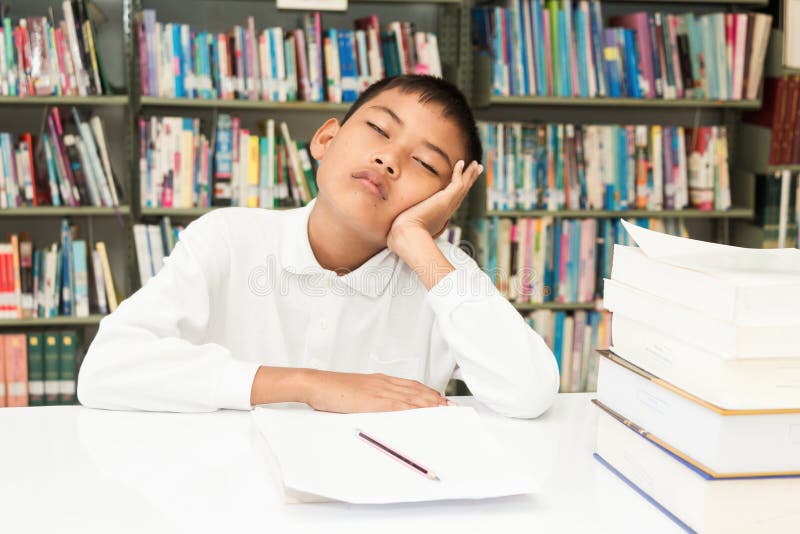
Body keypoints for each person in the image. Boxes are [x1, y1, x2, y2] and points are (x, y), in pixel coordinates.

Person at [77, 74, 559, 418]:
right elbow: (105, 369)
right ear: (327, 138)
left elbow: (530, 391)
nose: (388, 159)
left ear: (441, 207)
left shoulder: (442, 273)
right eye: (379, 129)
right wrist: (311, 385)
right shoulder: (228, 238)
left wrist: (418, 242)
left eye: (425, 164)